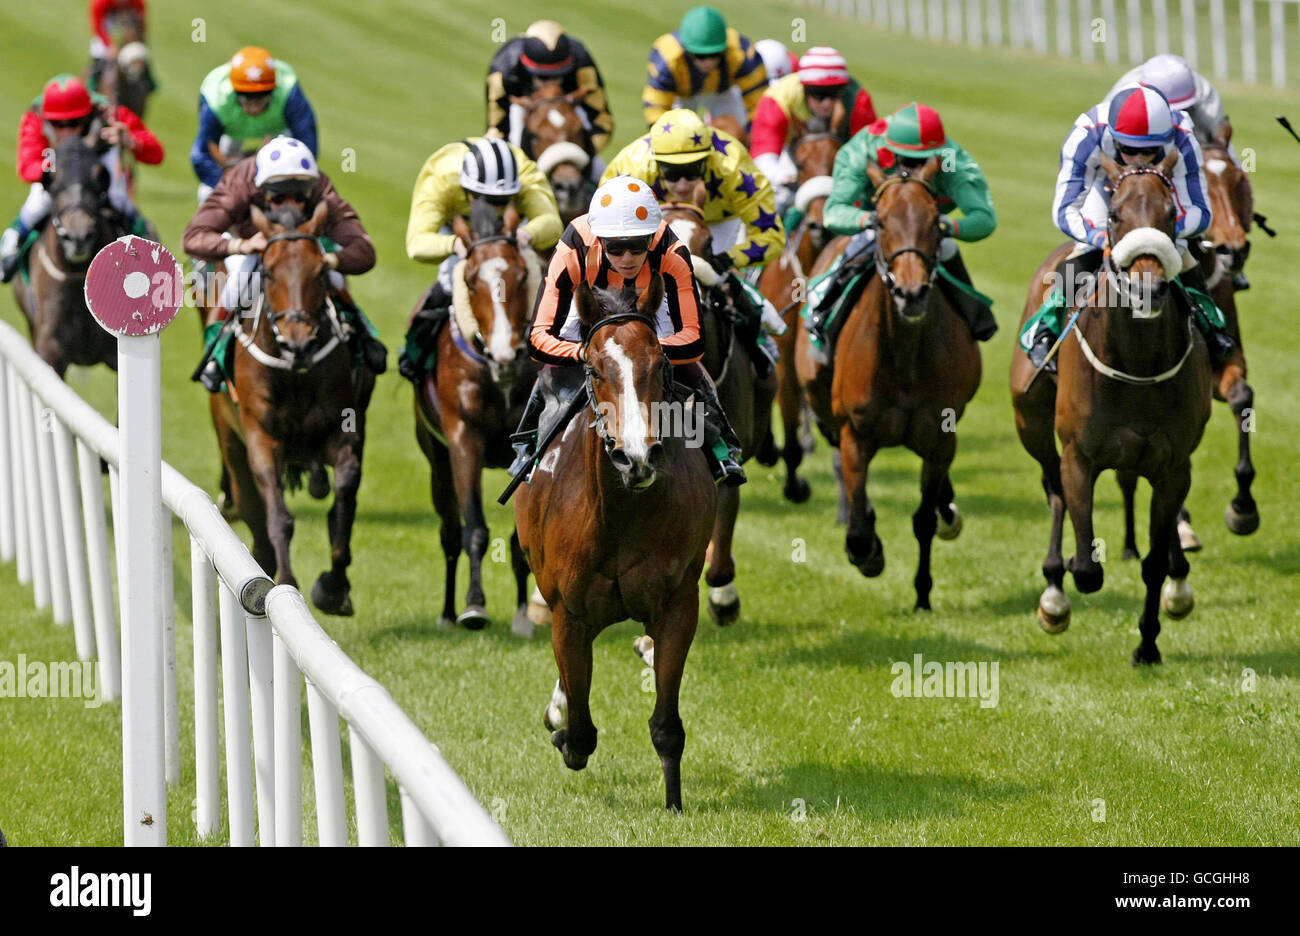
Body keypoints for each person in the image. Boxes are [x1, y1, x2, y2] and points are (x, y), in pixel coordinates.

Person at [508, 175, 746, 487]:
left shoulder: (672, 253)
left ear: (652, 238)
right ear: (599, 240)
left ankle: (720, 447)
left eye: (637, 247)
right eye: (616, 249)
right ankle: (529, 448)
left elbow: (693, 338)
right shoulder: (572, 252)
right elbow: (539, 340)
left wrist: (644, 351)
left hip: (649, 313)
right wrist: (583, 352)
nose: (627, 258)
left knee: (690, 370)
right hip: (590, 308)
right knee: (553, 371)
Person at [1023, 84, 1234, 374]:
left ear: (1165, 140)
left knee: (1183, 253)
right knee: (1085, 251)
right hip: (1106, 188)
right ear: (1114, 138)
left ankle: (1212, 325)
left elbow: (1200, 211)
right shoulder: (1088, 133)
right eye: (1129, 150)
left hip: (1160, 192)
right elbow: (1065, 210)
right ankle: (1045, 325)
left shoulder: (1182, 133)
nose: (1139, 160)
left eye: (1149, 151)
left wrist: (1160, 232)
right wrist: (1102, 236)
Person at [182, 136, 383, 392]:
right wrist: (239, 246)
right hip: (252, 241)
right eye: (278, 198)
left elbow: (364, 250)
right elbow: (193, 237)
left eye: (299, 197)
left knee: (336, 279)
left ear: (310, 188)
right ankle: (217, 354)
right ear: (262, 190)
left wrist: (328, 260)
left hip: (305, 245)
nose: (290, 205)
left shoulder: (320, 186)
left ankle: (364, 335)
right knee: (235, 286)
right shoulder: (239, 184)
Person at [805, 102, 999, 358]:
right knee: (857, 246)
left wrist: (946, 226)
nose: (914, 169)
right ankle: (823, 312)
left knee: (948, 248)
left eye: (922, 162)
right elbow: (834, 212)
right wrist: (871, 220)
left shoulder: (949, 160)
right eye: (908, 161)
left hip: (926, 222)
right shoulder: (863, 152)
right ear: (892, 152)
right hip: (875, 219)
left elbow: (984, 217)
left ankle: (976, 316)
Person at [602, 108, 787, 374]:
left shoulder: (732, 164)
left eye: (692, 171)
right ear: (656, 163)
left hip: (718, 223)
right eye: (672, 173)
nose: (682, 184)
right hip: (653, 222)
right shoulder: (631, 167)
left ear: (707, 160)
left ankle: (758, 338)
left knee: (721, 281)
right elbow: (600, 228)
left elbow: (772, 235)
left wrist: (728, 259)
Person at [398, 137, 562, 383]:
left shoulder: (525, 173)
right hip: (459, 231)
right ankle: (415, 356)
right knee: (447, 284)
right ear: (466, 189)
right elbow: (417, 244)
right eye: (486, 200)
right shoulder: (441, 180)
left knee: (533, 279)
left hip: (510, 232)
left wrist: (528, 233)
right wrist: (452, 244)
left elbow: (552, 223)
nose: (493, 209)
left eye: (501, 201)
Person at [1104, 53, 1251, 289]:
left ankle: (1232, 261)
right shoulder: (1121, 97)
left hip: (1185, 154)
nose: (1177, 117)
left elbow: (1220, 149)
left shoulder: (1206, 96)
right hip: (1134, 157)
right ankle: (1070, 293)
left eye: (1184, 109)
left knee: (1225, 175)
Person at [1, 74, 163, 283]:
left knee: (119, 197)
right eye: (59, 125)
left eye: (75, 123)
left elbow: (156, 154)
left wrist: (131, 141)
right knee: (37, 203)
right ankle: (12, 242)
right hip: (56, 168)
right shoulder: (35, 117)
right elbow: (26, 167)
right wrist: (55, 167)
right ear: (48, 120)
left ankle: (147, 247)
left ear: (87, 116)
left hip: (97, 165)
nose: (67, 131)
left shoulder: (110, 114)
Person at [749, 46, 877, 223]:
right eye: (819, 95)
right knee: (771, 199)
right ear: (804, 89)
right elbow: (764, 157)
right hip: (791, 158)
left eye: (835, 94)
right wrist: (783, 178)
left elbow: (867, 156)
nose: (827, 103)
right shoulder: (777, 98)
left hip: (843, 158)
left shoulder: (858, 99)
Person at [485, 19, 613, 180]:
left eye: (558, 77)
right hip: (520, 109)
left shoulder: (581, 61)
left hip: (570, 106)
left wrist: (581, 158)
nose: (550, 85)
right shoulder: (503, 70)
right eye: (542, 78)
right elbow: (495, 131)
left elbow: (603, 122)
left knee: (603, 176)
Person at [191, 46, 317, 203]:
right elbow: (201, 156)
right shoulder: (216, 99)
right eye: (247, 101)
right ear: (235, 93)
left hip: (277, 131)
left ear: (273, 91)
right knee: (208, 193)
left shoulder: (289, 92)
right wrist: (233, 190)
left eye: (262, 100)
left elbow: (307, 145)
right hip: (231, 131)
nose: (255, 108)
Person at [642, 5, 768, 130]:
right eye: (700, 55)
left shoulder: (741, 52)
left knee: (736, 130)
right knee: (678, 134)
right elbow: (656, 107)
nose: (708, 62)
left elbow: (758, 100)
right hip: (681, 96)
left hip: (722, 93)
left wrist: (751, 134)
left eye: (714, 54)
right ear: (687, 49)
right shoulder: (668, 57)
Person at [88, 0, 151, 92]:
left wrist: (138, 39)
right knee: (99, 52)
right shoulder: (100, 3)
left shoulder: (137, 2)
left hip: (127, 22)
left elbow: (142, 23)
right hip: (108, 22)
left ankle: (149, 80)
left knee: (140, 51)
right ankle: (93, 84)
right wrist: (109, 45)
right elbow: (99, 27)